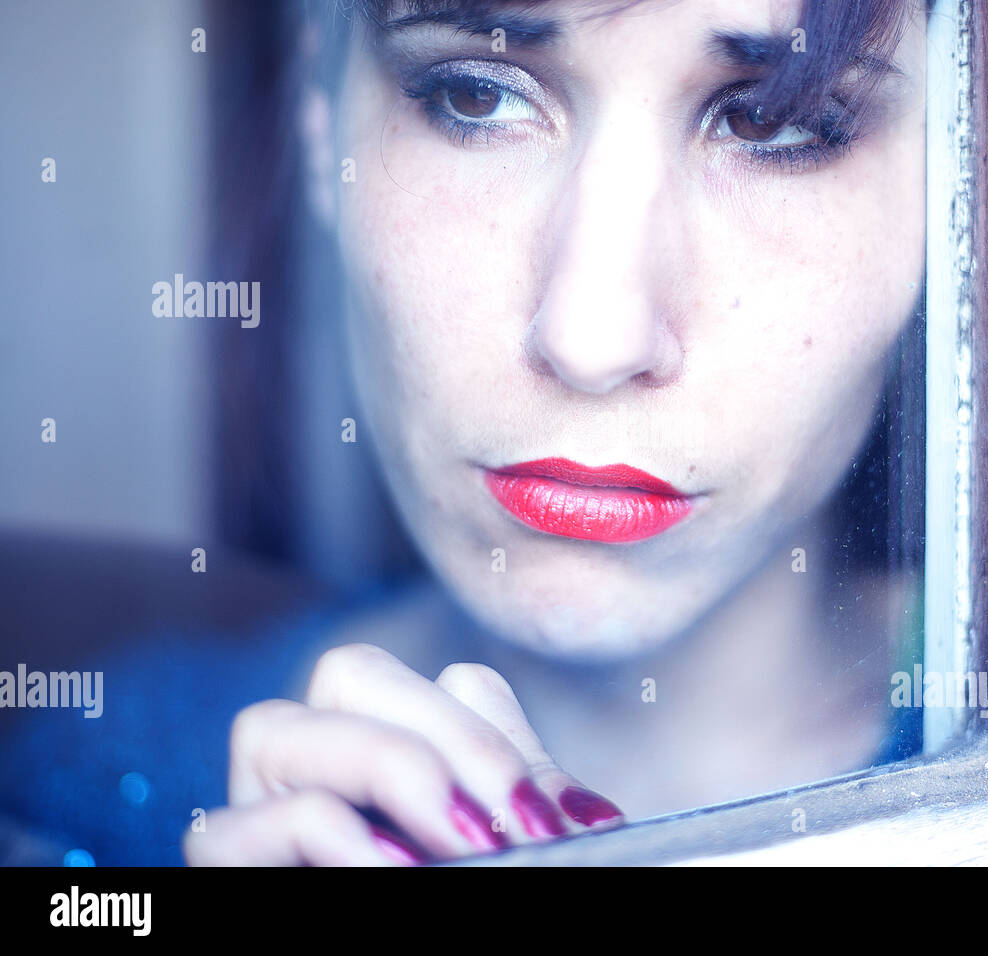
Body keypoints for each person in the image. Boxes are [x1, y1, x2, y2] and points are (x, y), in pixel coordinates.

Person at [179, 0, 930, 865]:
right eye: (476, 98)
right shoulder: (67, 796)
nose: (590, 341)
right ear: (321, 121)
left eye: (773, 123)